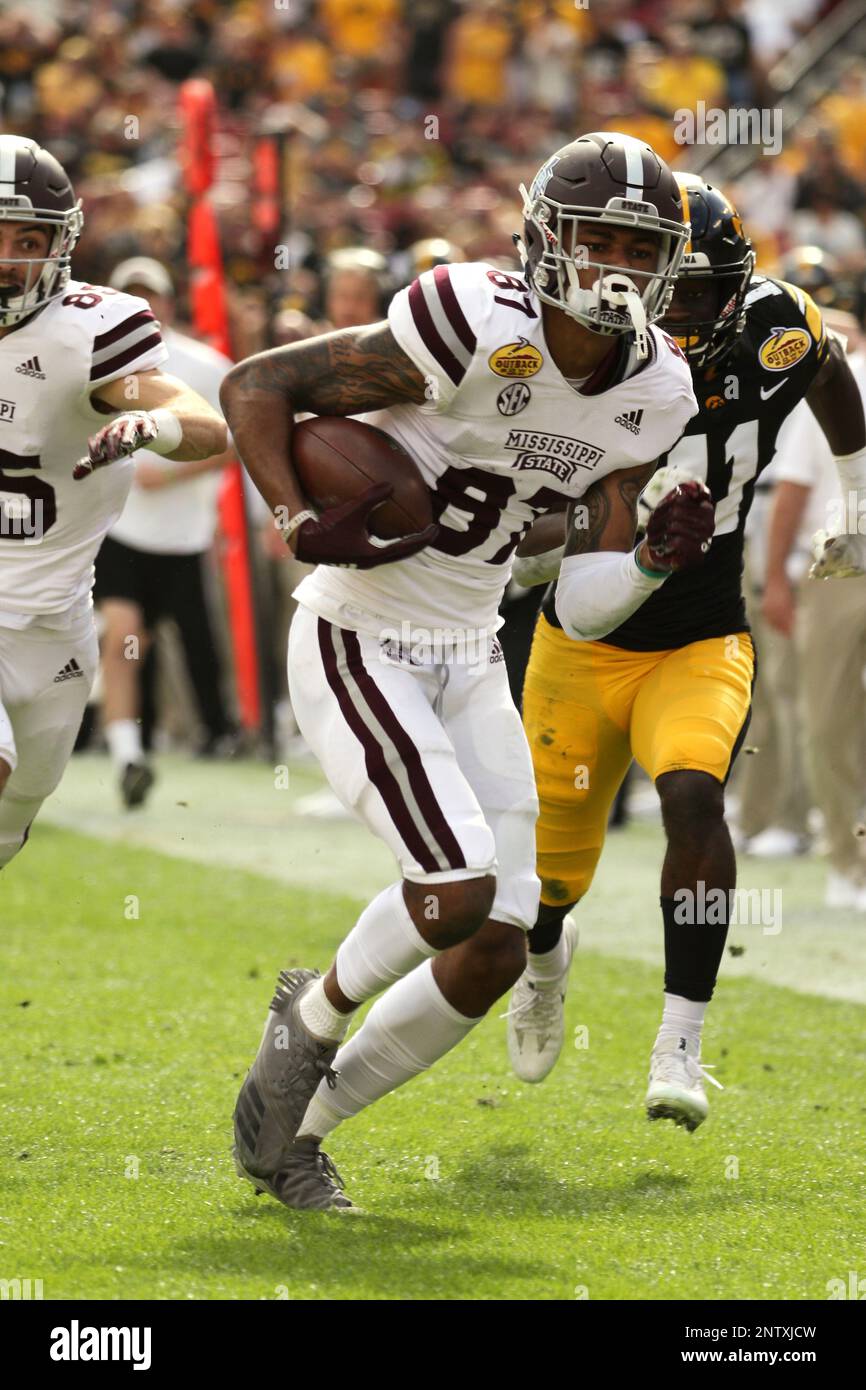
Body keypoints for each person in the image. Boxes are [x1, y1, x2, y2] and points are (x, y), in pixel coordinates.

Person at [221, 132, 711, 1211]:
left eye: (644, 246)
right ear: (543, 237)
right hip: (359, 632)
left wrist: (642, 559)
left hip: (471, 645)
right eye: (603, 240)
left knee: (496, 942)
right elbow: (259, 384)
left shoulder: (659, 395)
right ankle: (308, 1016)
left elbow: (575, 606)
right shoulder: (472, 321)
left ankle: (300, 1130)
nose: (623, 266)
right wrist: (293, 511)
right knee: (451, 889)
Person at [504, 174, 866, 1130]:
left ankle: (681, 1043)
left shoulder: (776, 321)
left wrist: (859, 499)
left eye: (707, 291)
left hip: (704, 634)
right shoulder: (583, 347)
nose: (688, 310)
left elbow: (828, 377)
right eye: (676, 291)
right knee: (546, 881)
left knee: (696, 795)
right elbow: (541, 525)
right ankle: (544, 967)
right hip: (583, 633)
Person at [0, 135, 227, 871]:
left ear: (59, 246)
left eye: (26, 239)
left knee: (9, 829)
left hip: (56, 629)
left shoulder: (87, 332)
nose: (6, 258)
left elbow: (204, 426)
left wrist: (151, 425)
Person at [92, 257, 236, 807]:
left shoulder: (203, 363)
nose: (144, 306)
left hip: (186, 536)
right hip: (121, 533)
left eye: (151, 295)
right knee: (125, 640)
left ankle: (219, 734)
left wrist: (172, 477)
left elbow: (232, 442)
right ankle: (129, 752)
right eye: (131, 295)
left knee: (199, 648)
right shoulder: (94, 359)